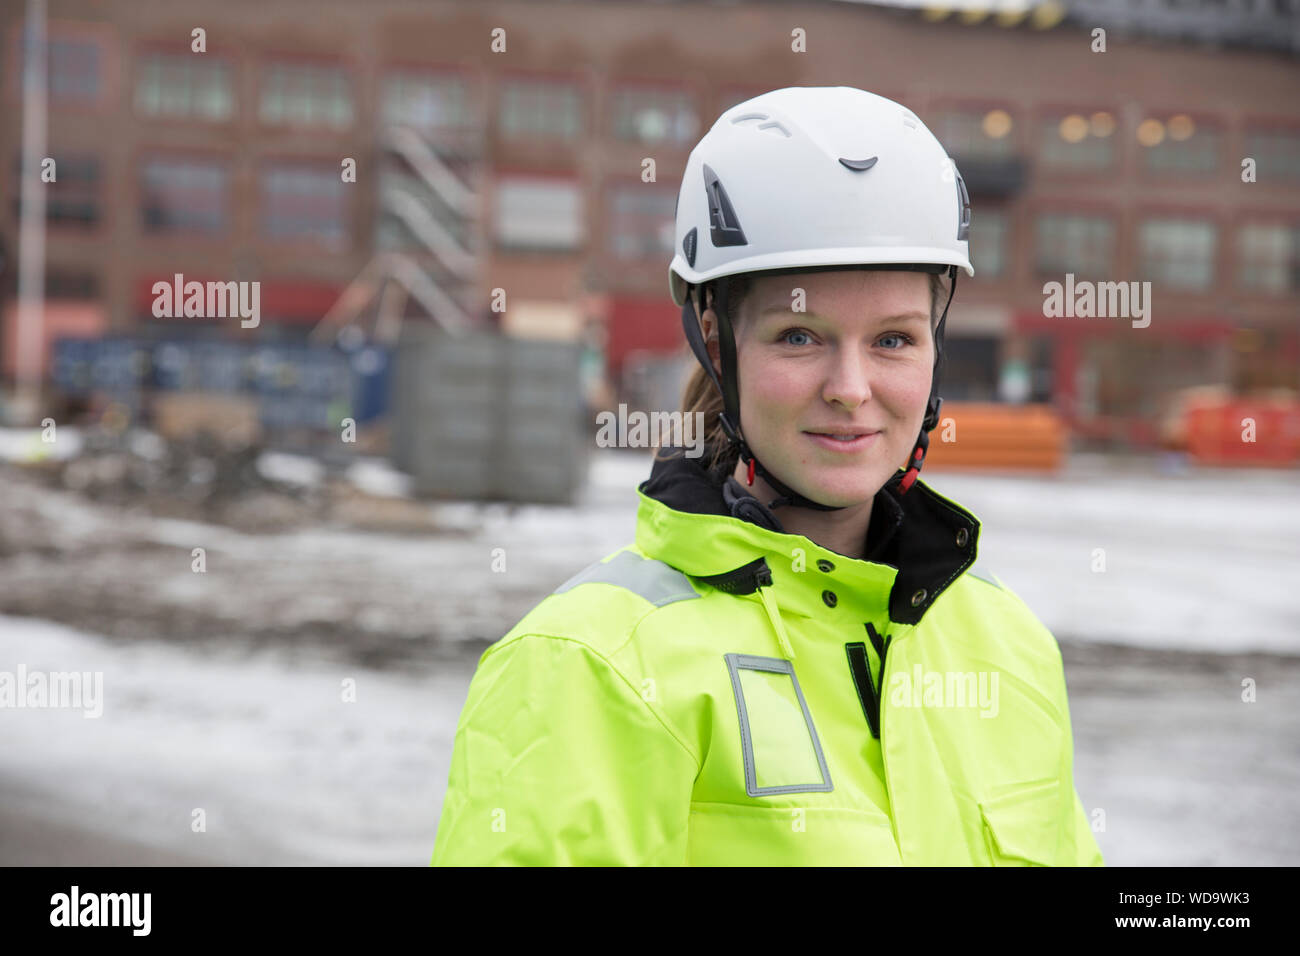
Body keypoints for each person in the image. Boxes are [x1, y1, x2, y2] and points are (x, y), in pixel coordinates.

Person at [430, 86, 1104, 866]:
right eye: (799, 336)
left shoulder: (1008, 649)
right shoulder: (588, 664)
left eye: (893, 339)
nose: (852, 388)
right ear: (718, 342)